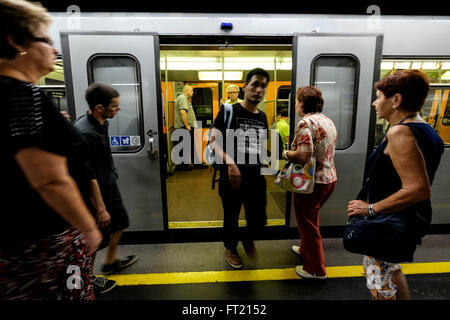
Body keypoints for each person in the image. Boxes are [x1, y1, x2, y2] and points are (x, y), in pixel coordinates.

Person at [0, 0, 101, 299]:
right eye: (46, 40)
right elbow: (49, 179)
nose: (55, 50)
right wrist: (88, 228)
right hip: (42, 242)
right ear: (17, 42)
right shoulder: (22, 94)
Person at [347, 69, 444, 300]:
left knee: (379, 282)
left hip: (387, 222)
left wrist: (369, 209)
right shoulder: (427, 130)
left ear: (396, 100)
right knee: (390, 268)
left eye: (379, 96)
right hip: (405, 220)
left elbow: (418, 189)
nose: (374, 103)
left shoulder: (400, 132)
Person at [74, 83, 138, 285]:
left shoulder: (102, 123)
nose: (118, 109)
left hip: (109, 184)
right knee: (95, 239)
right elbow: (88, 175)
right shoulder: (85, 133)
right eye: (114, 106)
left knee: (120, 222)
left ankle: (110, 262)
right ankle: (87, 278)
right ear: (100, 108)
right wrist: (100, 209)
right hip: (94, 193)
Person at [211, 68, 270, 269]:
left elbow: (260, 145)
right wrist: (230, 162)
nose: (259, 90)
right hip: (232, 175)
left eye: (263, 86)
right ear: (245, 87)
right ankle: (231, 248)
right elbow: (213, 143)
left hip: (255, 175)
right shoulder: (229, 112)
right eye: (255, 84)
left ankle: (247, 237)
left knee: (259, 218)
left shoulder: (262, 117)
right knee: (232, 216)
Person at [282, 86, 337, 280]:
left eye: (297, 101)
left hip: (312, 183)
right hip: (330, 179)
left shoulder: (306, 122)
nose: (296, 105)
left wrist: (286, 153)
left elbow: (303, 155)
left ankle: (315, 269)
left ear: (303, 103)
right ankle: (305, 249)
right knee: (311, 220)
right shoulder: (327, 121)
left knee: (307, 223)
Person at [173, 85, 201, 170]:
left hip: (185, 127)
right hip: (183, 127)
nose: (192, 92)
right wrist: (187, 126)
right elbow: (182, 112)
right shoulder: (182, 98)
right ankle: (183, 167)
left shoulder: (184, 99)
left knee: (190, 146)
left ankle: (196, 164)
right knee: (184, 147)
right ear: (187, 90)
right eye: (191, 91)